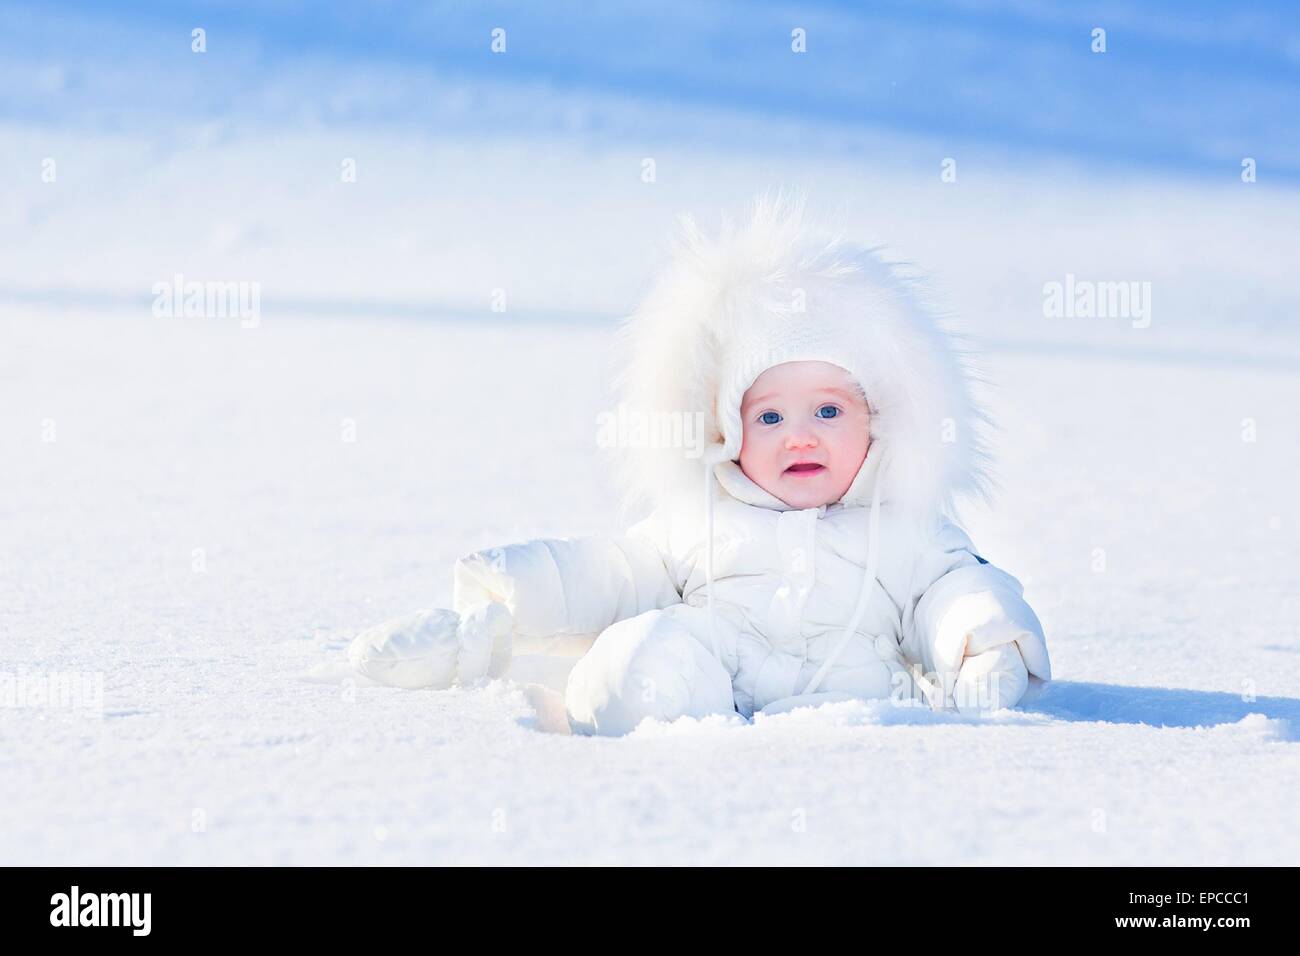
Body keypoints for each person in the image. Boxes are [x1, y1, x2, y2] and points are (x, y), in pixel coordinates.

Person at [346, 191, 1052, 736]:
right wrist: (513, 595)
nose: (799, 438)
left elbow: (959, 593)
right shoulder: (703, 520)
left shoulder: (908, 530)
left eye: (829, 412)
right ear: (727, 431)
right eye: (769, 417)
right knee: (651, 647)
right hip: (719, 700)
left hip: (870, 723)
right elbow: (615, 573)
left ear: (880, 420)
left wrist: (987, 649)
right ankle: (509, 659)